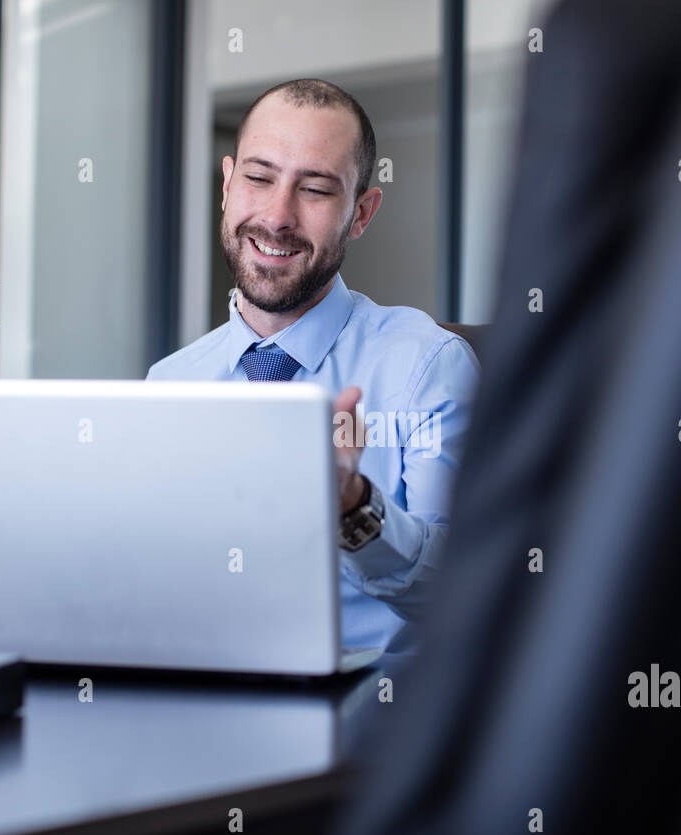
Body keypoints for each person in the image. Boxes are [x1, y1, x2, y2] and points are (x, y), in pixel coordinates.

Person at [147, 78, 479, 651]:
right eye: (258, 177)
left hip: (367, 721)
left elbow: (466, 591)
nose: (278, 217)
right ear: (226, 186)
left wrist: (355, 511)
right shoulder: (168, 385)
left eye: (317, 190)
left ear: (361, 213)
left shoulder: (427, 367)